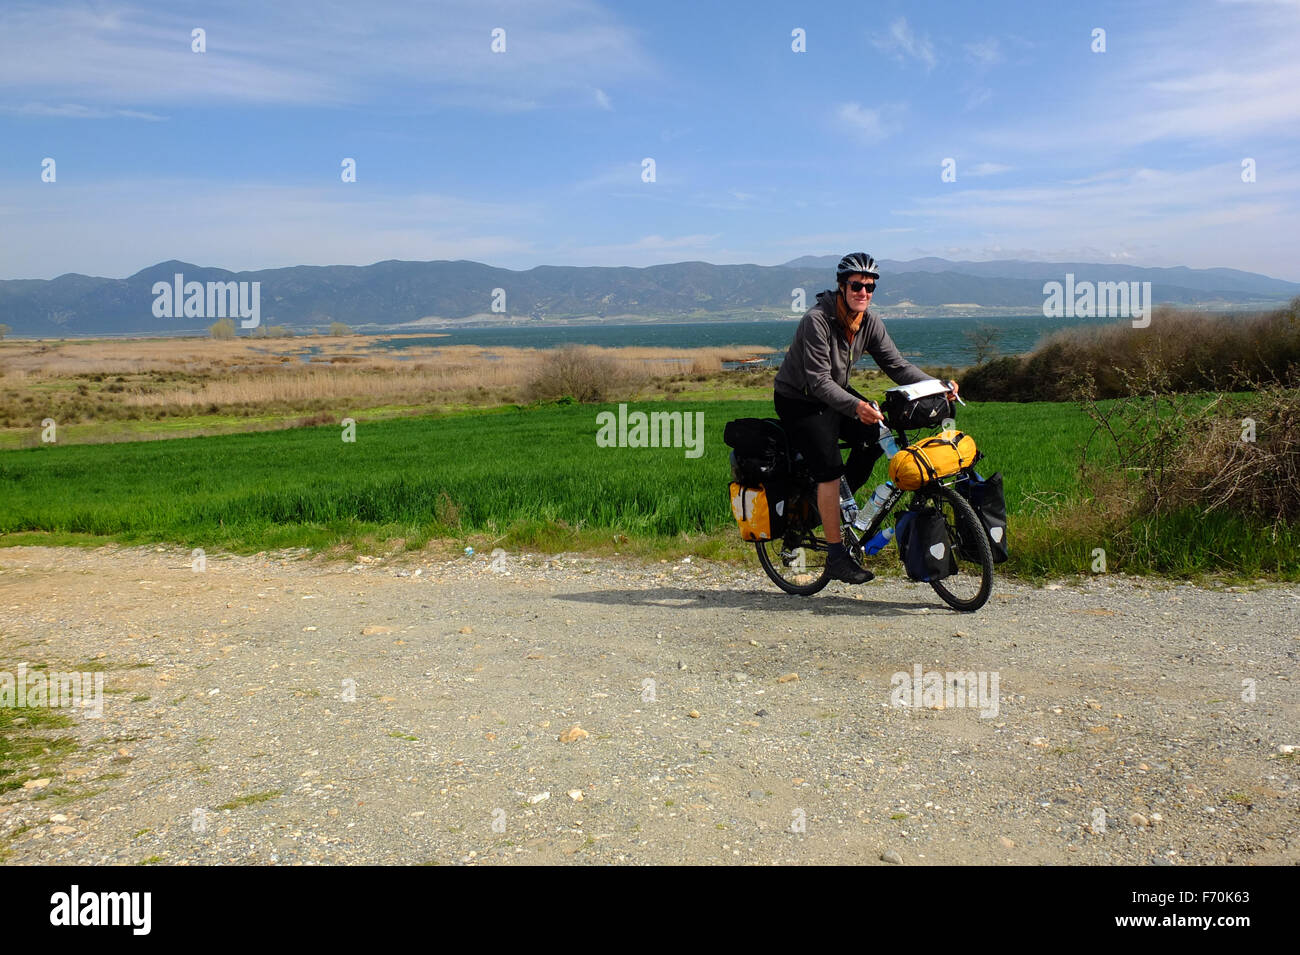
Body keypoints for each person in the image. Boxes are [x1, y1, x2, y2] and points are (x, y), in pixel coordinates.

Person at [773, 252, 959, 583]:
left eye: (870, 287)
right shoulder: (817, 321)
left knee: (876, 437)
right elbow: (817, 381)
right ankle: (835, 557)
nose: (864, 292)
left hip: (834, 392)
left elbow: (898, 366)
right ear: (841, 287)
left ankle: (836, 508)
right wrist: (855, 407)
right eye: (857, 285)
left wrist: (937, 386)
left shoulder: (869, 322)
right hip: (798, 399)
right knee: (829, 472)